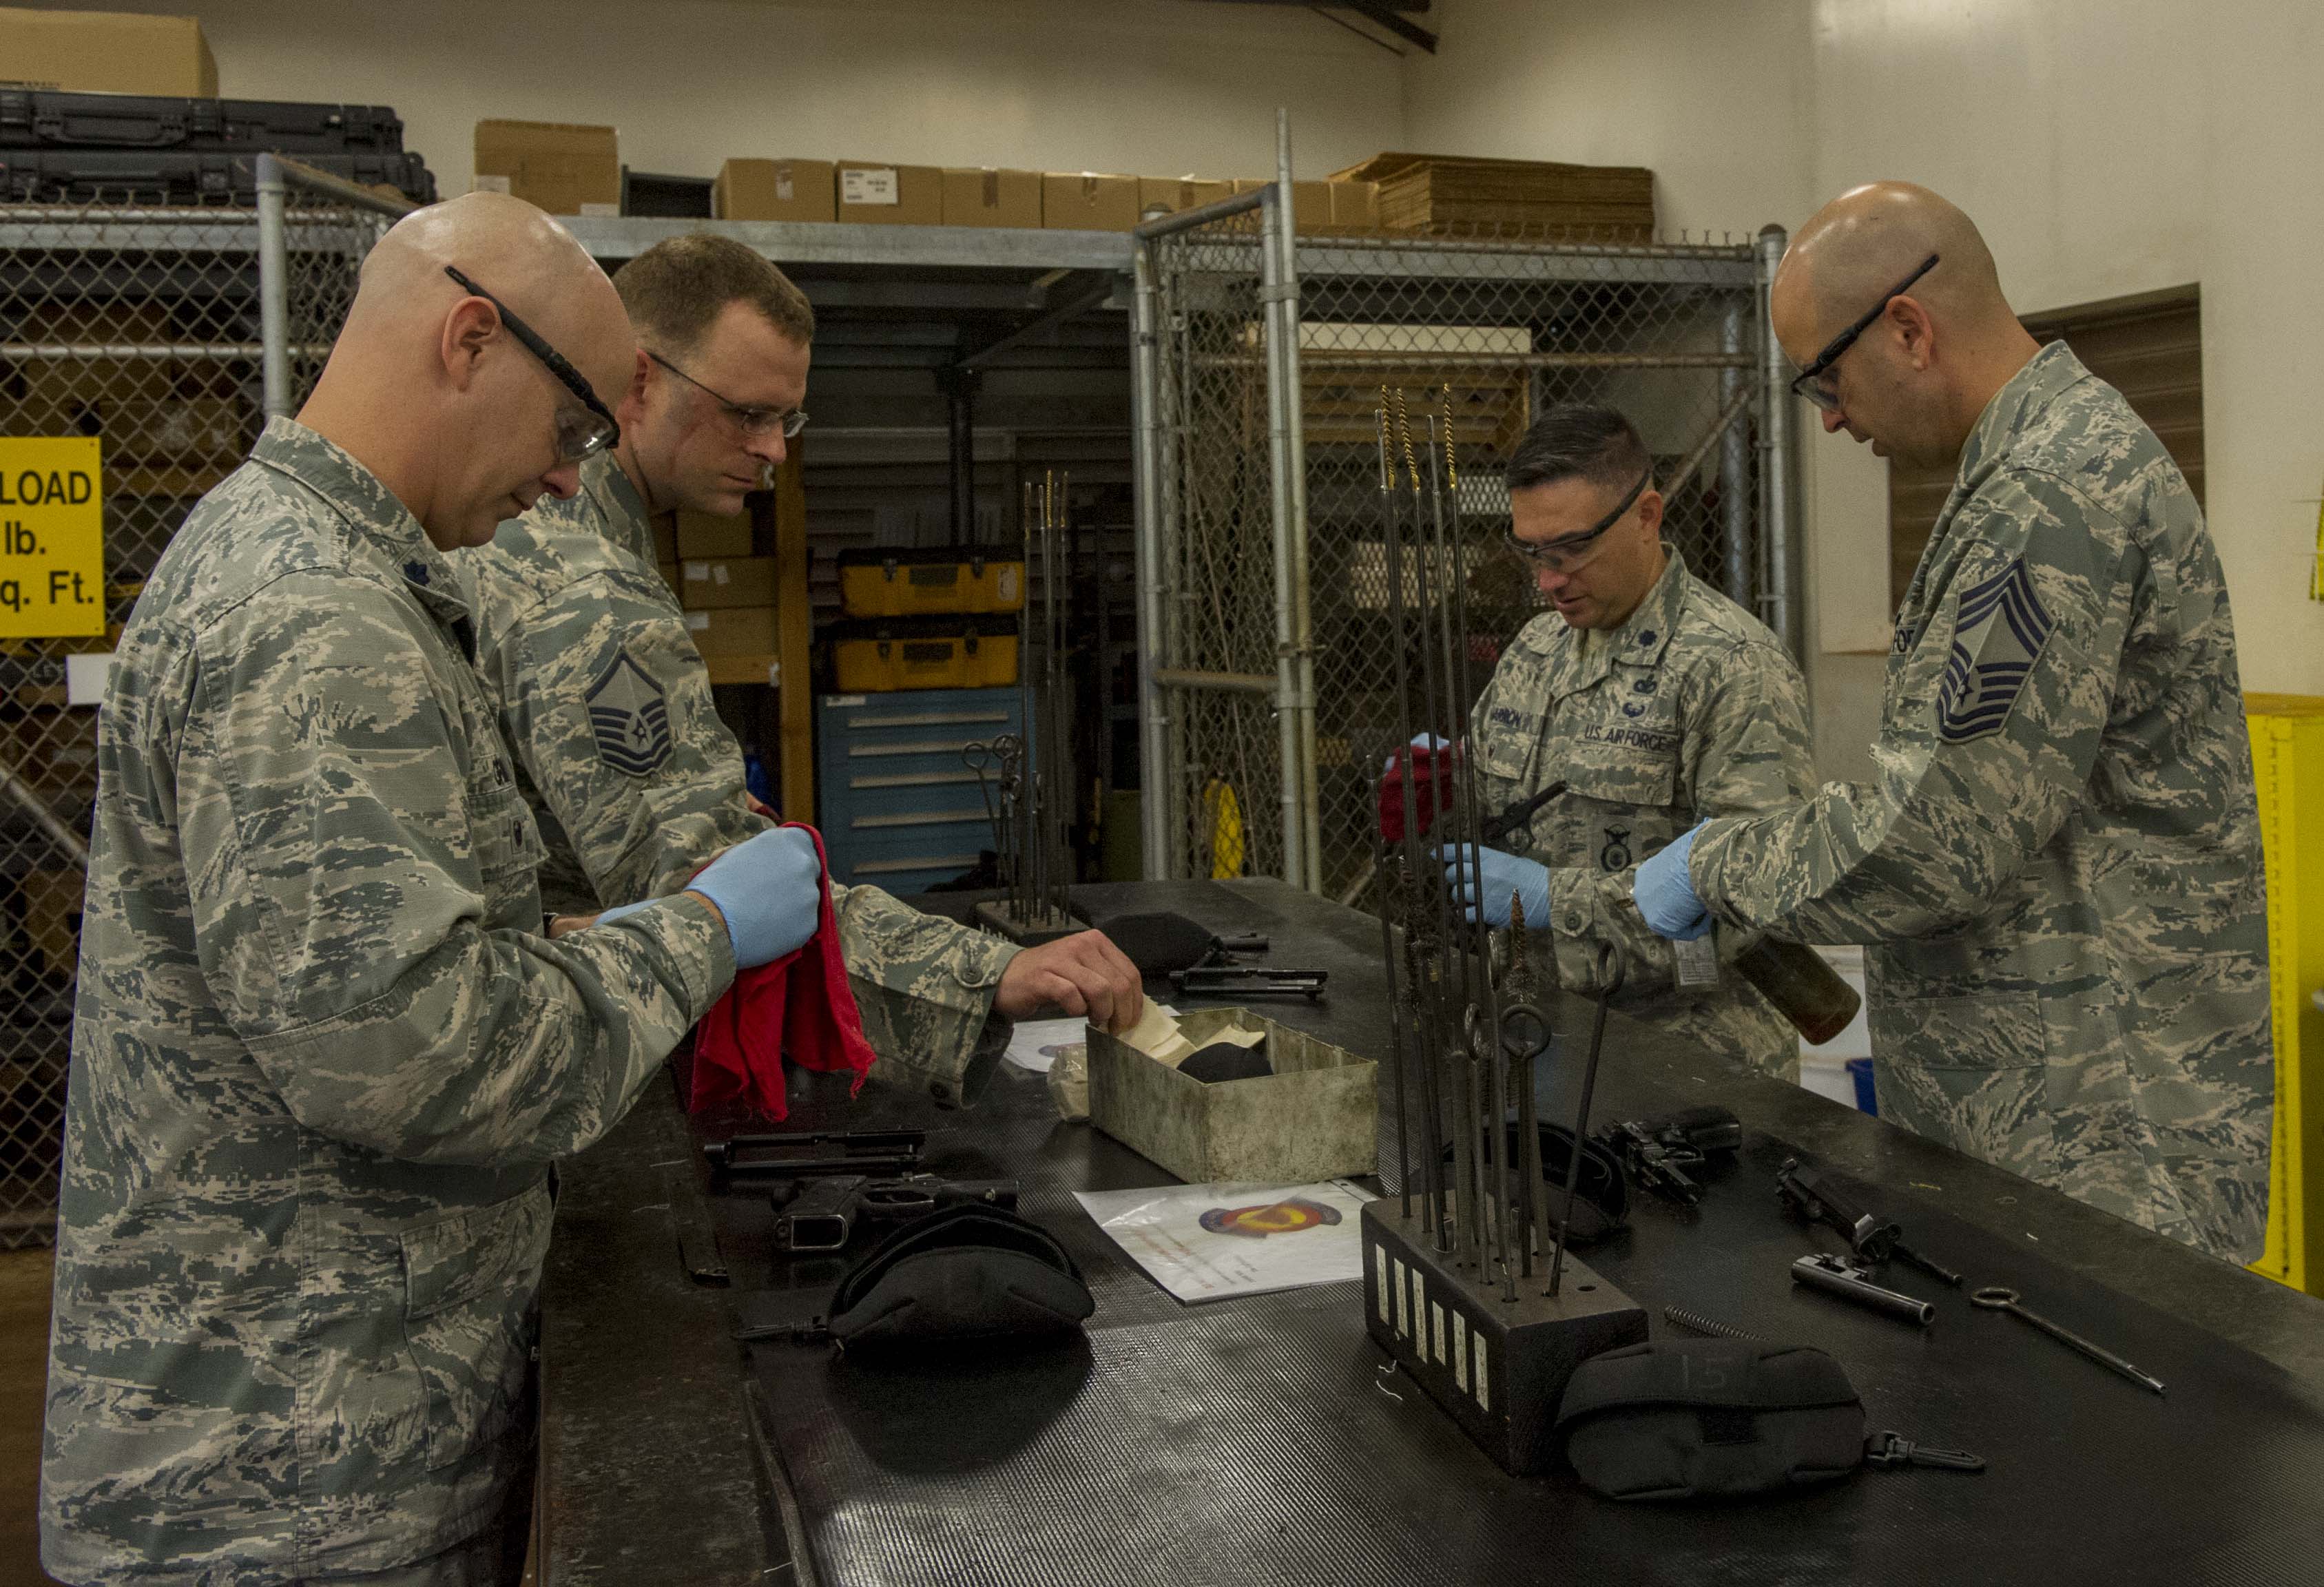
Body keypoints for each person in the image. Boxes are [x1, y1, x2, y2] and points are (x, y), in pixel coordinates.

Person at [42, 193, 823, 1586]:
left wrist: (581, 941)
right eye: (574, 427)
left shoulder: (334, 572)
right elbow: (420, 1060)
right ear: (471, 340)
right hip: (295, 1490)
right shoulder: (314, 622)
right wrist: (694, 932)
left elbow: (369, 973)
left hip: (328, 1441)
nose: (570, 482)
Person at [1632, 181, 2272, 1263]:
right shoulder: (2029, 474)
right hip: (2050, 1120)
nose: (1829, 417)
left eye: (1822, 379)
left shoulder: (2045, 500)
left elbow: (1933, 839)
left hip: (2095, 1146)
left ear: (1906, 327)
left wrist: (1718, 865)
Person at [454, 233, 1141, 1103]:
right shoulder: (583, 589)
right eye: (746, 413)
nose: (774, 450)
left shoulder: (569, 532)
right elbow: (715, 892)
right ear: (638, 380)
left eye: (787, 418)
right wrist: (986, 972)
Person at [1433, 404, 1817, 1081]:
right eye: (1531, 553)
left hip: (1687, 1067)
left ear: (1644, 515)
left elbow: (1760, 901)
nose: (1548, 579)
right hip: (1538, 1044)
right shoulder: (1536, 649)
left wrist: (1556, 900)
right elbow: (1491, 823)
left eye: (1571, 549)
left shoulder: (1728, 665)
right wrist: (1436, 797)